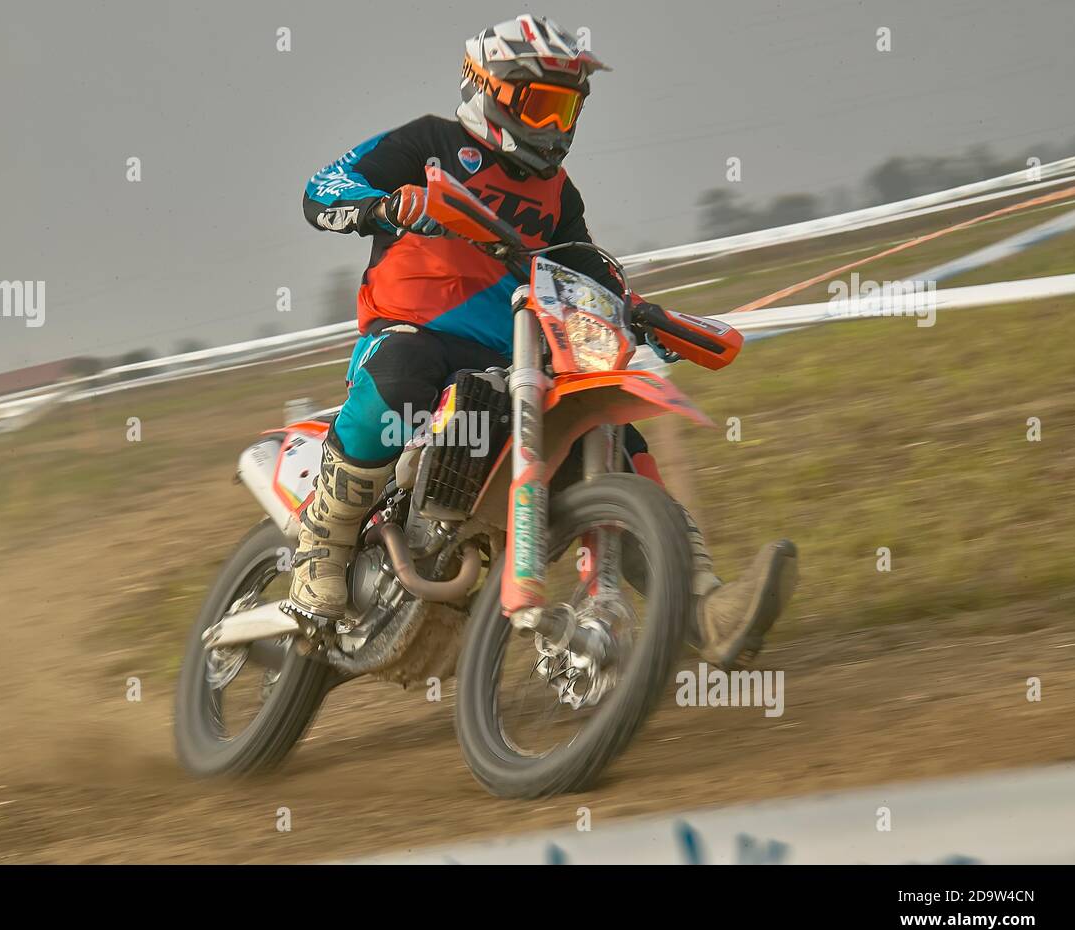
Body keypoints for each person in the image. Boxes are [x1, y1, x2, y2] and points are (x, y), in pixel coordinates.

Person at [292, 14, 796, 668]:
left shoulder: (558, 194)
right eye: (540, 105)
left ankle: (703, 605)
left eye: (567, 110)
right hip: (416, 331)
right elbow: (323, 189)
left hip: (518, 358)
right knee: (400, 379)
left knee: (608, 430)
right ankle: (321, 544)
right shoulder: (429, 141)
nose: (556, 127)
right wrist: (385, 205)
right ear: (488, 88)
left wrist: (639, 313)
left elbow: (585, 269)